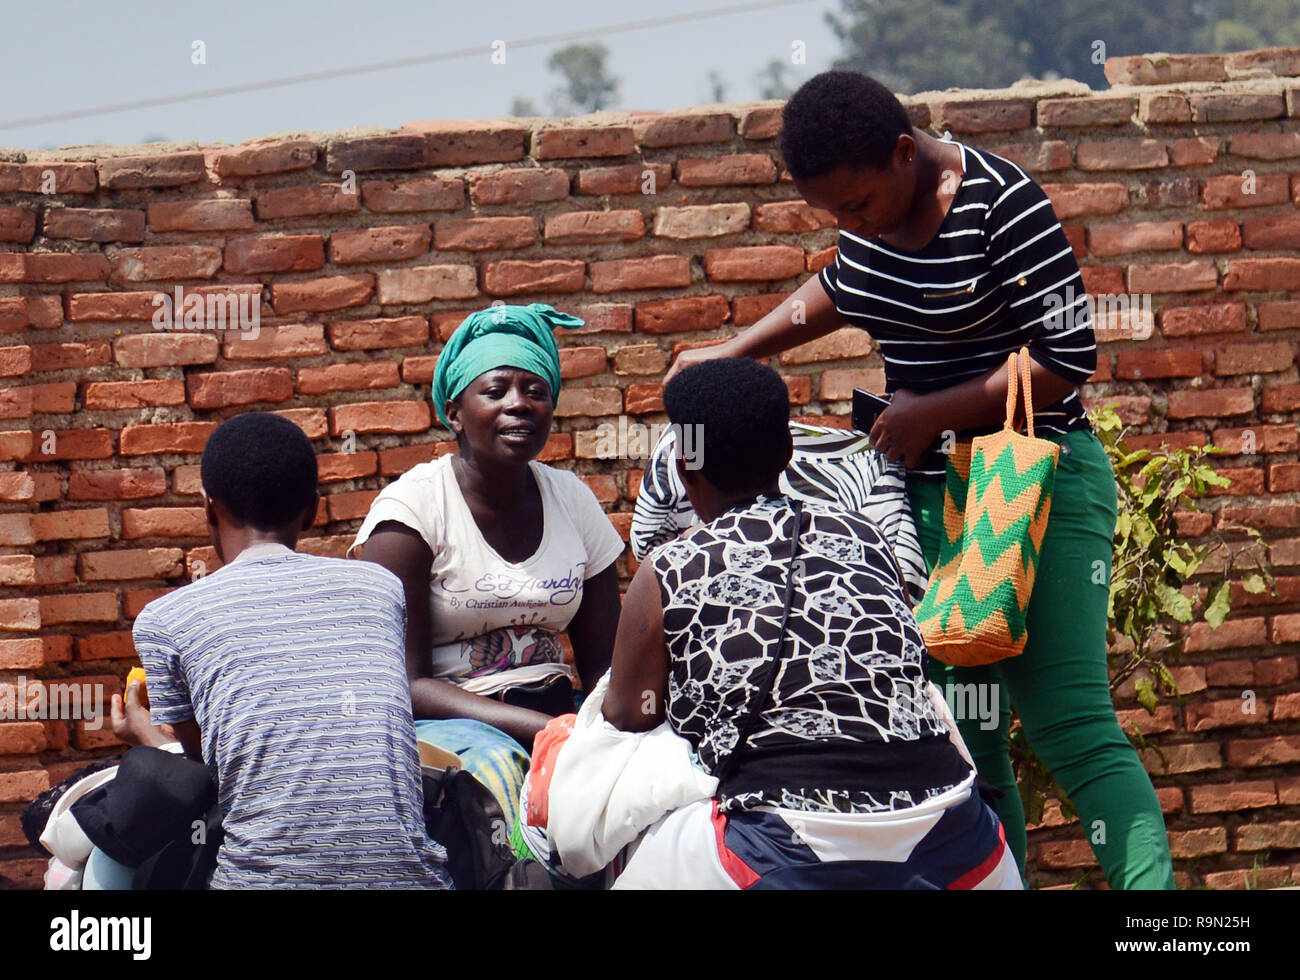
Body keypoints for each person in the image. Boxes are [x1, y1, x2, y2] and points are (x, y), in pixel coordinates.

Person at [665, 70, 1175, 889]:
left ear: (906, 152)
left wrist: (930, 412)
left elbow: (1067, 358)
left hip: (1033, 485)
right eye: (834, 214)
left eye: (858, 204)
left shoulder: (1000, 204)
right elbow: (840, 286)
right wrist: (732, 351)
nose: (851, 224)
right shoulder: (872, 221)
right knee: (968, 742)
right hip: (931, 500)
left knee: (1072, 730)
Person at [601, 358, 1020, 889]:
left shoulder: (669, 567)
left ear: (685, 467)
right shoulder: (867, 539)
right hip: (959, 842)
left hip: (775, 856)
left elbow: (626, 717)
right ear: (788, 453)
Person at [113, 412, 450, 888]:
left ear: (208, 508)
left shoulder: (166, 620)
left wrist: (146, 735)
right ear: (312, 511)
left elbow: (204, 774)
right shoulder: (379, 588)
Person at [351, 303, 624, 827]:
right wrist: (545, 731)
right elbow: (403, 683)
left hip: (559, 715)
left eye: (535, 391)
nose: (518, 404)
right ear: (454, 413)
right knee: (501, 773)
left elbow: (604, 667)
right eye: (496, 391)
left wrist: (606, 730)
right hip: (453, 728)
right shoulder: (412, 510)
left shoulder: (572, 499)